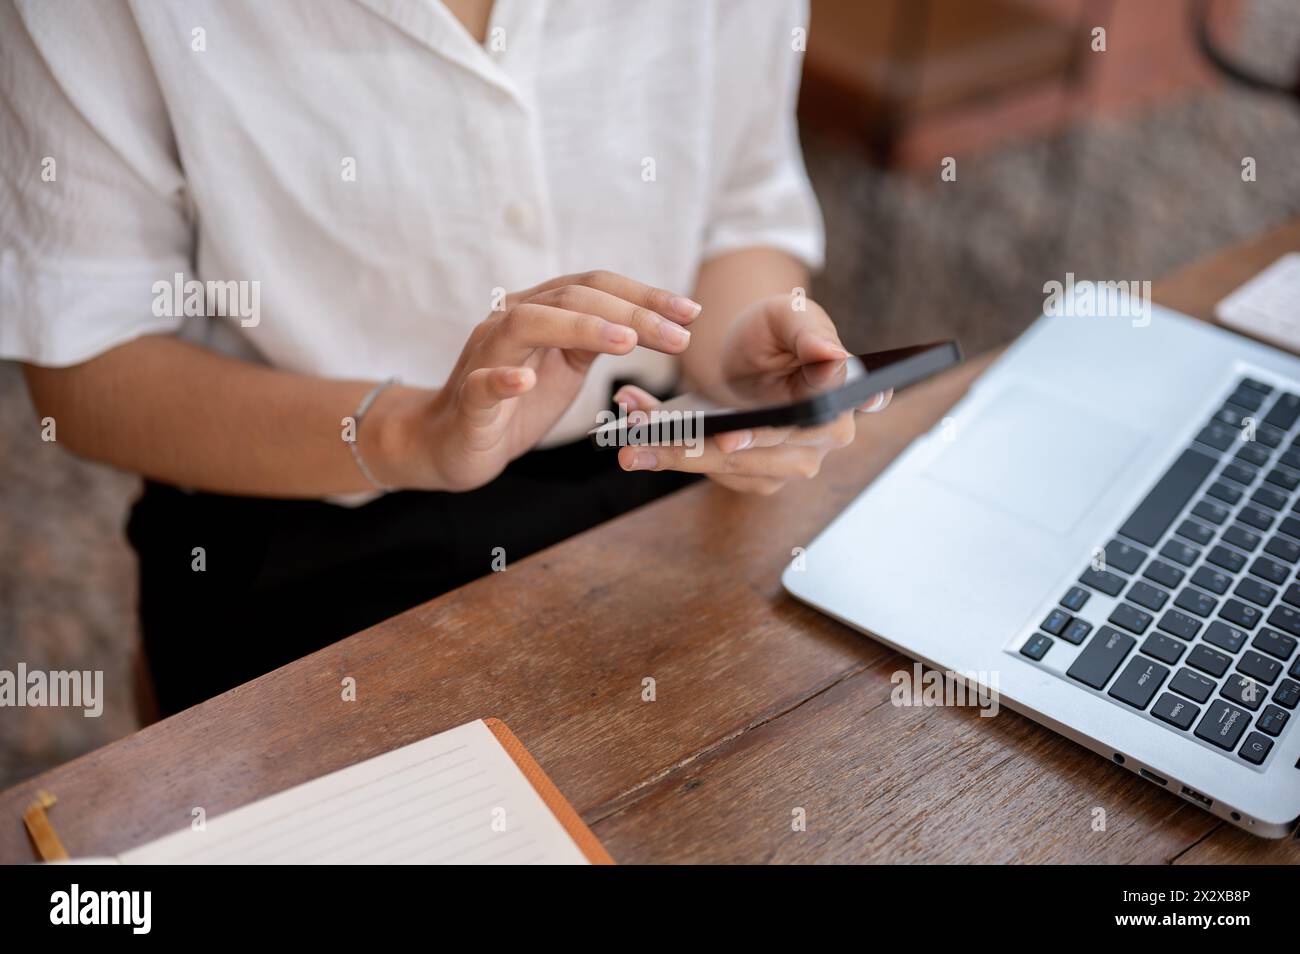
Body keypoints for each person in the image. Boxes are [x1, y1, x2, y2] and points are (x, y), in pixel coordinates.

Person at [0, 0, 886, 715]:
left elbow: (739, 201)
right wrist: (411, 432)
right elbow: (89, 363)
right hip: (300, 526)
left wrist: (734, 360)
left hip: (651, 470)